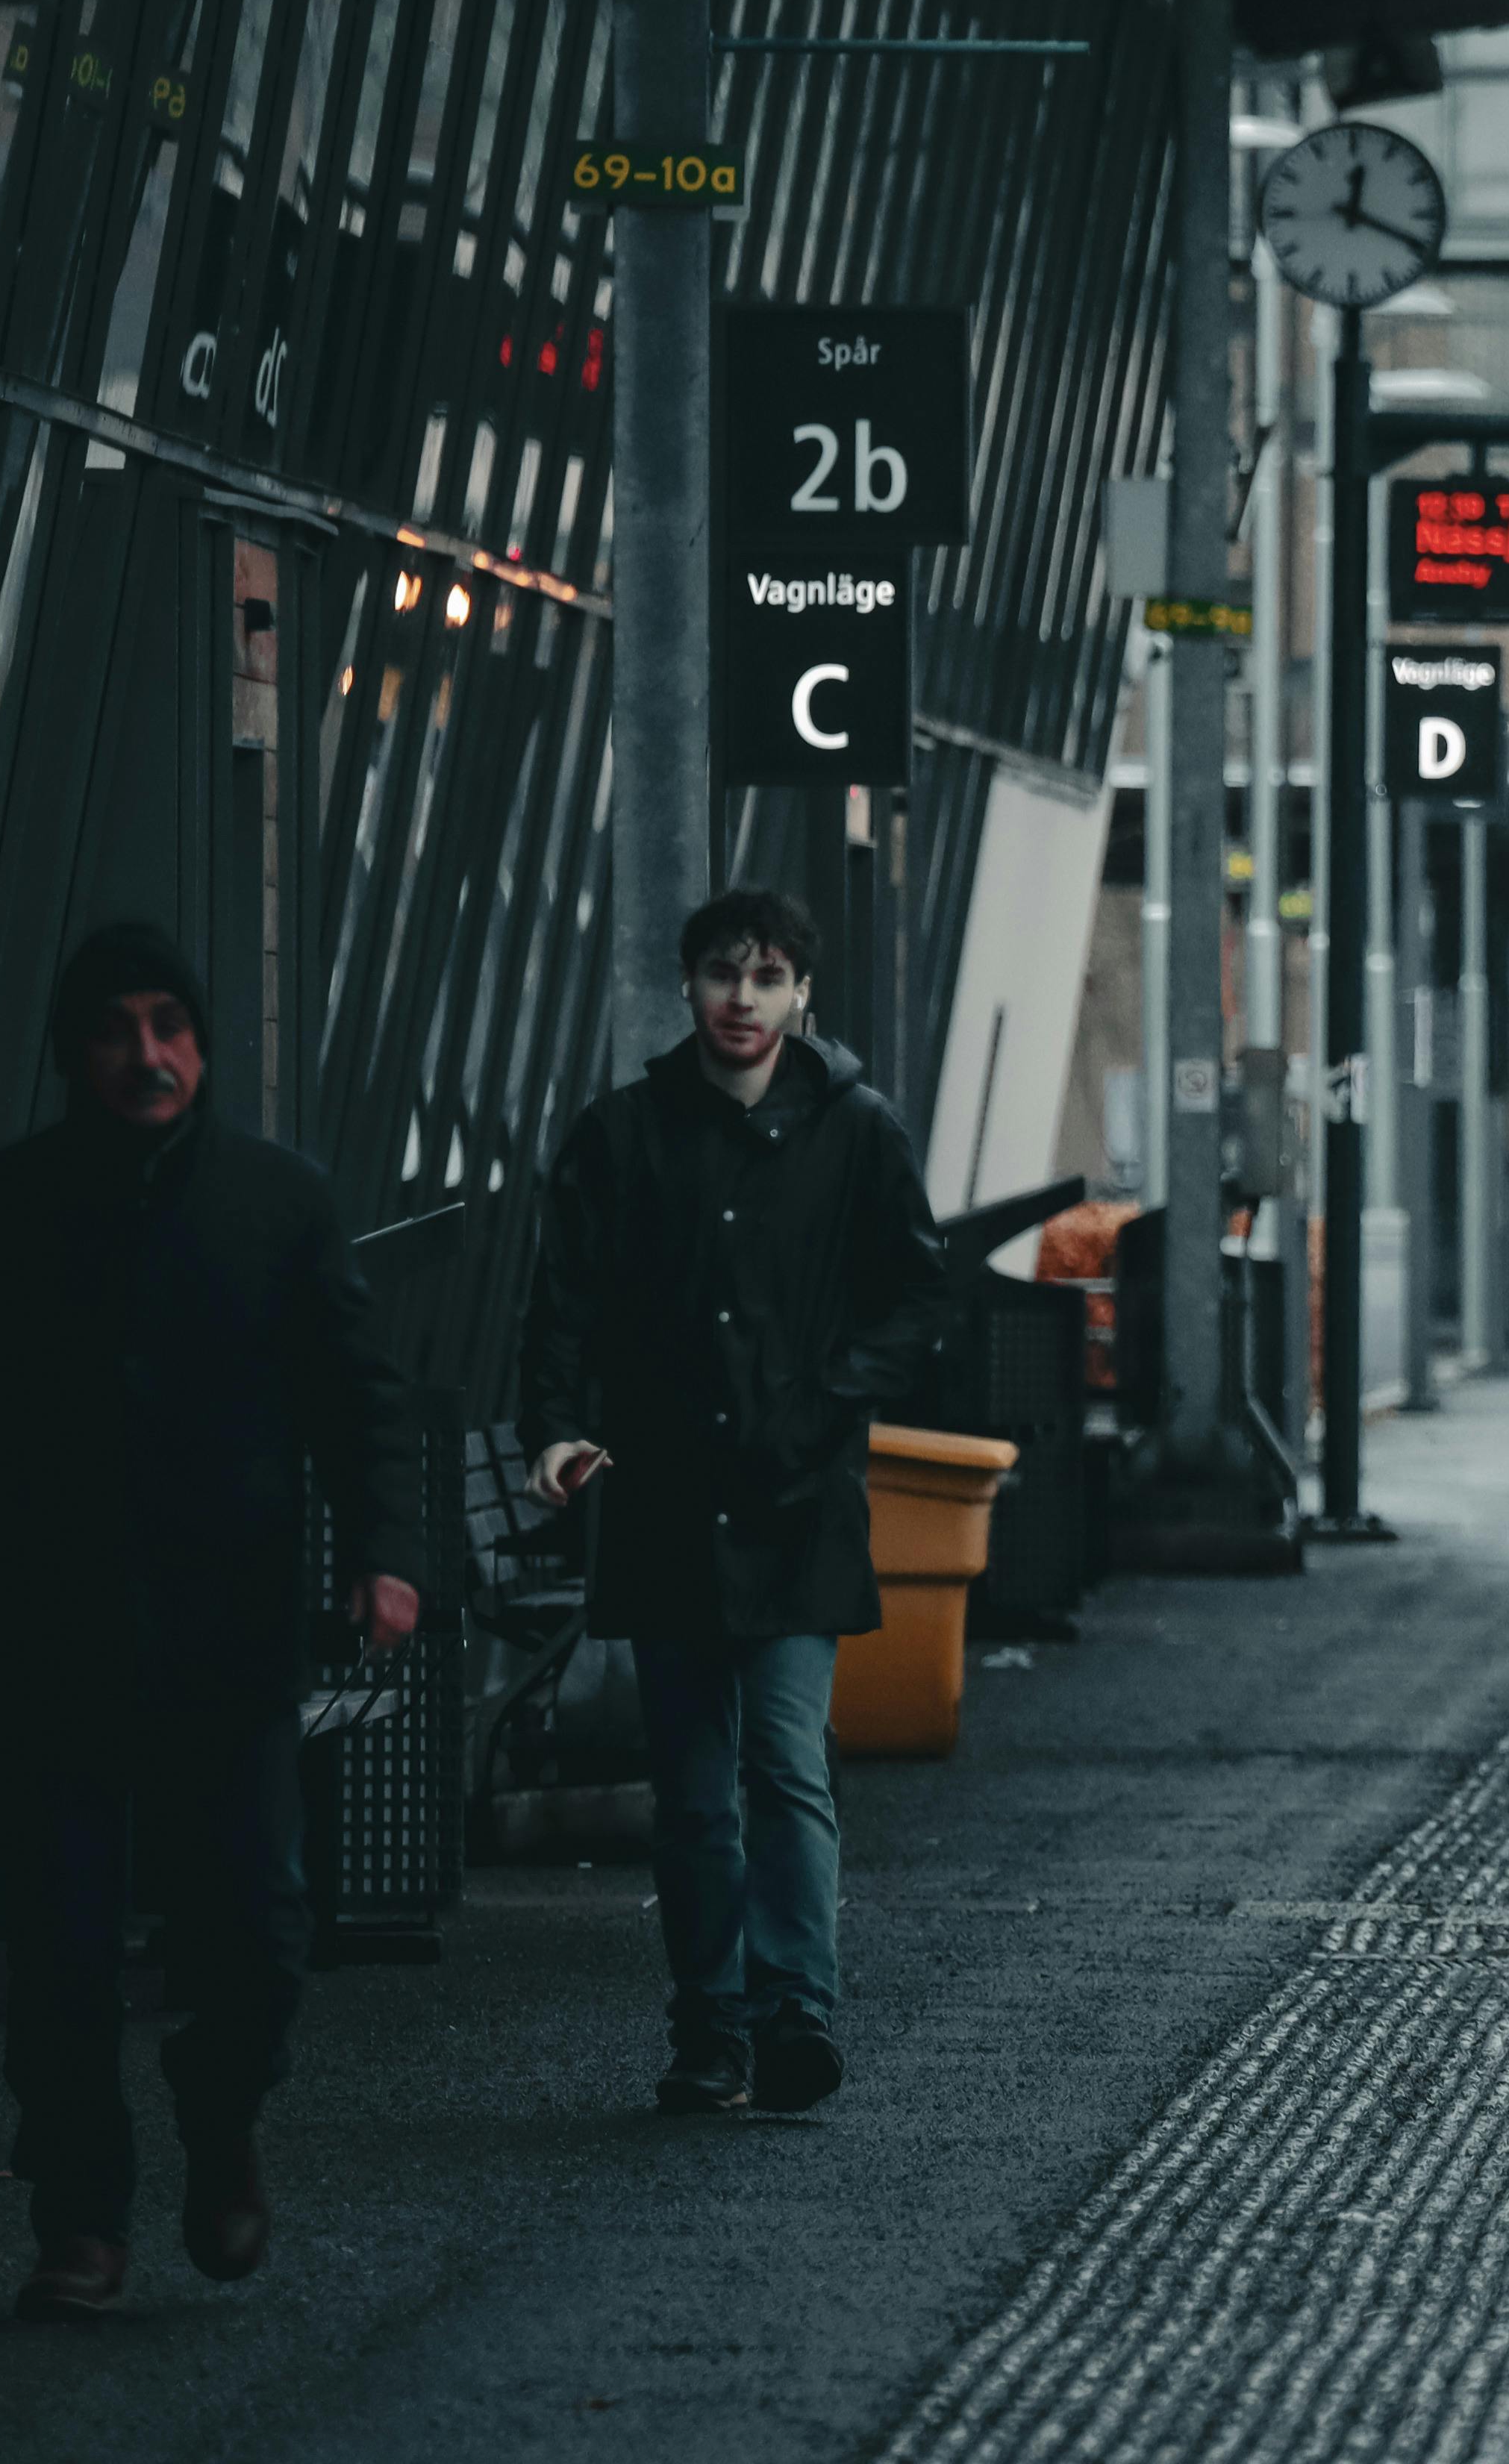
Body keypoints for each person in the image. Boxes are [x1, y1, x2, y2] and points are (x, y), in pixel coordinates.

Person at [0, 921, 426, 2321]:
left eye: (171, 1024)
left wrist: (386, 1555)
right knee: (64, 1949)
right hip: (54, 1645)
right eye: (115, 1029)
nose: (147, 1055)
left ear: (203, 1041)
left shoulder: (274, 1205)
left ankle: (221, 2131)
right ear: (72, 1051)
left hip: (228, 1647)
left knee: (255, 1934)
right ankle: (80, 2220)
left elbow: (360, 1401)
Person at [519, 887, 950, 2120]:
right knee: (695, 1792)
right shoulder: (623, 1135)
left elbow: (918, 1294)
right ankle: (710, 2027)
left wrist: (829, 1397)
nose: (744, 999)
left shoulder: (856, 1131)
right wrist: (557, 1431)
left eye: (767, 977)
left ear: (804, 993)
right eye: (723, 974)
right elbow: (562, 1309)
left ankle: (793, 2011)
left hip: (797, 1501)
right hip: (665, 1501)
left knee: (784, 1759)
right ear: (690, 987)